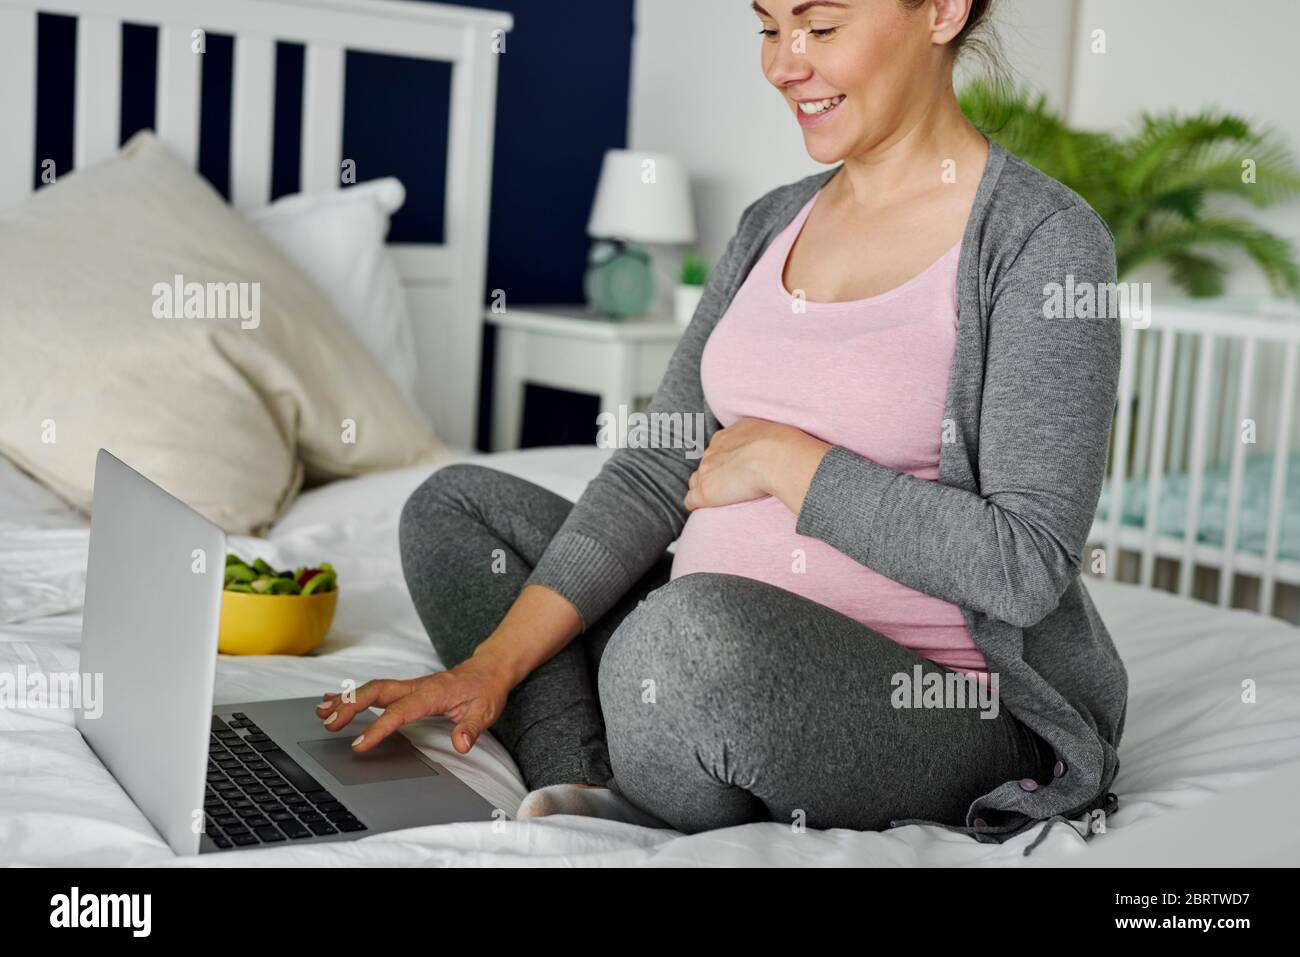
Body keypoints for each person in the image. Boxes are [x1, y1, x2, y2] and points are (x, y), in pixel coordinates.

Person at [316, 0, 1128, 842]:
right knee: (453, 506)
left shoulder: (1046, 242)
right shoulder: (772, 221)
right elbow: (656, 471)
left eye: (821, 26)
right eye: (769, 28)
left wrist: (789, 461)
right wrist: (493, 665)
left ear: (943, 12)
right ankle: (583, 774)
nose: (784, 64)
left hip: (933, 703)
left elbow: (1027, 563)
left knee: (678, 645)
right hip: (717, 653)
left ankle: (653, 728)